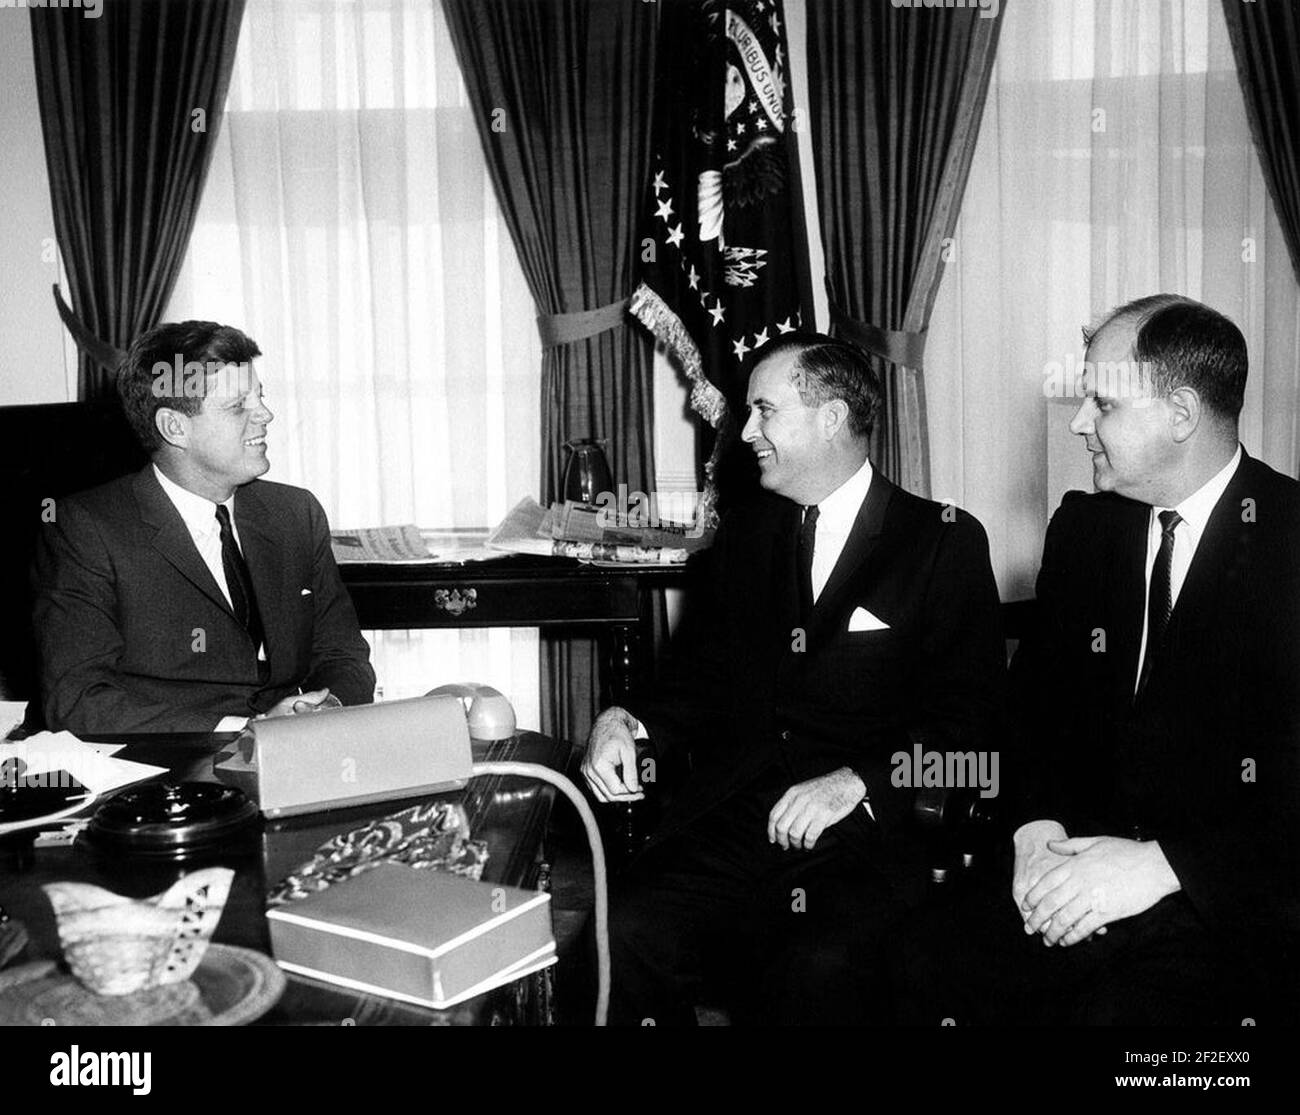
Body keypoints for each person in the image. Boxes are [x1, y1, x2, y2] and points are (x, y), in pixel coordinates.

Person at [581, 332, 1005, 1025]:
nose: (746, 431)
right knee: (622, 925)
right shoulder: (747, 534)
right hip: (743, 812)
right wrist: (624, 719)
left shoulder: (940, 541)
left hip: (865, 832)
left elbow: (974, 726)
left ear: (831, 418)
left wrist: (858, 780)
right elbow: (700, 676)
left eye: (765, 411)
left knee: (812, 965)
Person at [900, 294, 1300, 1025]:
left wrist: (1164, 866)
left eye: (1103, 403)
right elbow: (1029, 718)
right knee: (913, 966)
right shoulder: (1085, 530)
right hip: (1071, 867)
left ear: (1181, 414)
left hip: (1227, 902)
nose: (1080, 421)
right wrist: (1035, 829)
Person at [31, 320, 376, 734]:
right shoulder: (86, 529)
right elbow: (77, 700)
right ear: (175, 427)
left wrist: (326, 708)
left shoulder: (295, 513)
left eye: (260, 397)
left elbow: (343, 655)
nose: (266, 415)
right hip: (166, 760)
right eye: (238, 406)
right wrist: (249, 729)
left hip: (295, 749)